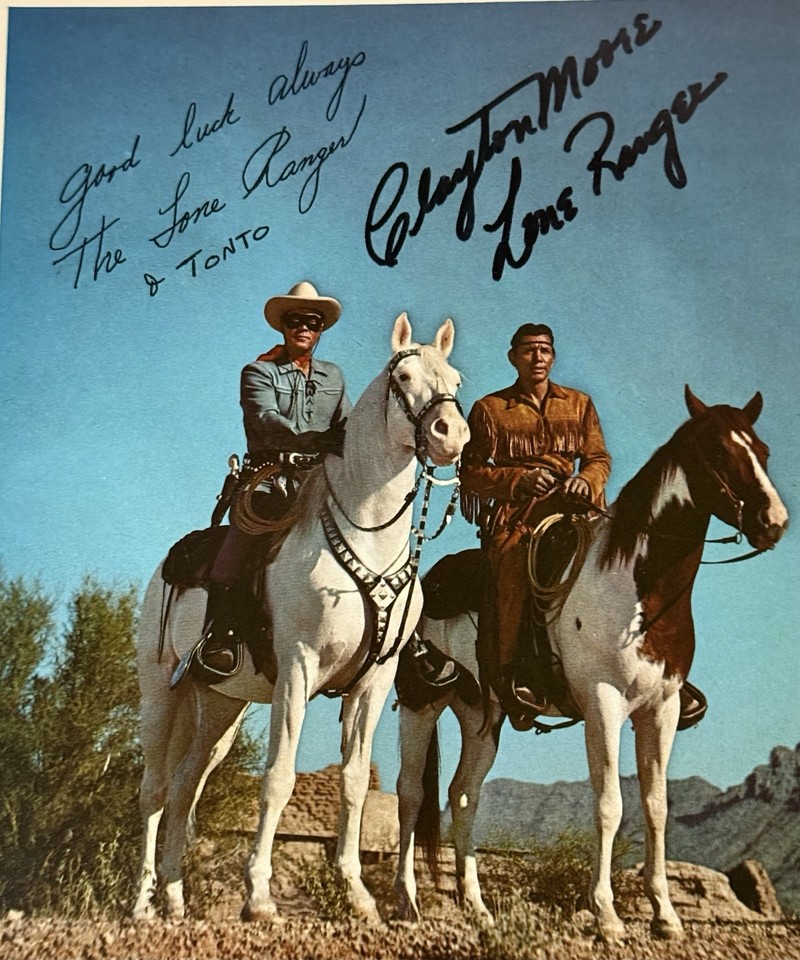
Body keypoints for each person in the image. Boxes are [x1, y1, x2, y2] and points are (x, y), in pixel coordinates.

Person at [459, 322, 611, 730]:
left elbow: (598, 458)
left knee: (627, 560)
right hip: (520, 517)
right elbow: (470, 472)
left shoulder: (579, 404)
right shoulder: (489, 410)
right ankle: (511, 675)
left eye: (544, 350)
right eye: (528, 350)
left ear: (553, 356)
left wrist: (587, 480)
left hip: (577, 510)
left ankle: (650, 667)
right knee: (512, 567)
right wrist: (517, 480)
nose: (537, 358)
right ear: (513, 357)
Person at [200, 280, 351, 676]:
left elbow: (348, 426)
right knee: (236, 550)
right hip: (269, 479)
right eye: (297, 321)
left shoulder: (334, 376)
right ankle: (218, 637)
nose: (304, 328)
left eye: (313, 323)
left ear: (320, 331)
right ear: (284, 327)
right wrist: (317, 438)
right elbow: (266, 420)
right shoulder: (258, 372)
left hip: (320, 482)